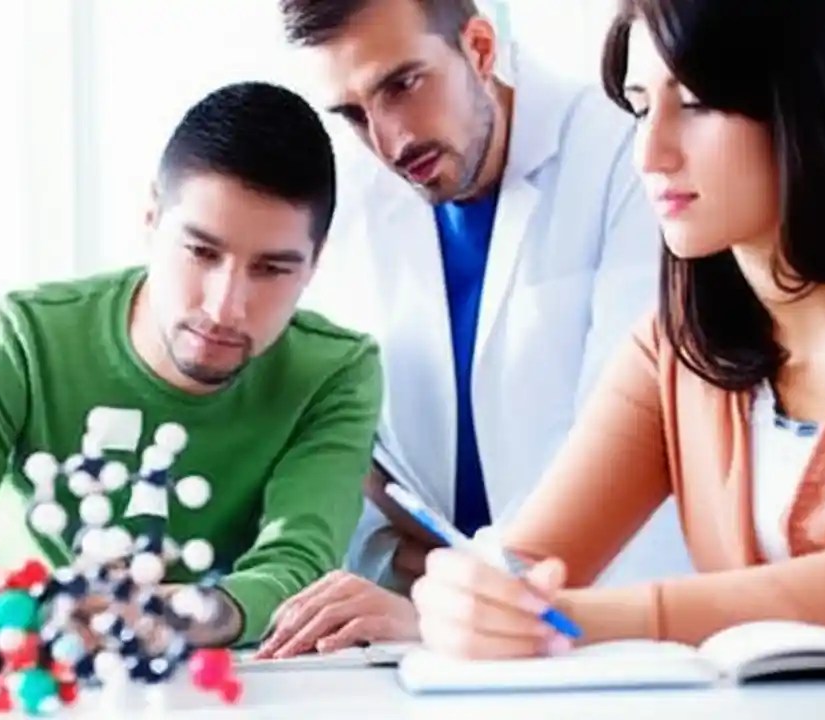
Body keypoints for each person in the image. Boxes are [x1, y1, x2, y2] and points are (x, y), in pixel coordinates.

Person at [409, 0, 825, 658]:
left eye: (692, 104)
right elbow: (528, 564)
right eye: (638, 107)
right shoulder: (677, 344)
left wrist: (591, 619)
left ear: (806, 103)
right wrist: (473, 601)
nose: (650, 154)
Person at [0, 81, 383, 649]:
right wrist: (38, 620)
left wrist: (164, 617)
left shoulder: (337, 371)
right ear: (151, 218)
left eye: (271, 270)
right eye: (201, 252)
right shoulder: (19, 339)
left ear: (314, 265)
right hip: (11, 676)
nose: (225, 306)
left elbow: (299, 573)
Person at [258, 0, 689, 658]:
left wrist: (460, 596)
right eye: (350, 113)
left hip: (605, 634)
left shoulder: (628, 156)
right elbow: (349, 453)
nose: (389, 141)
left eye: (402, 84)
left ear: (480, 49)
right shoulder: (351, 199)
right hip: (427, 633)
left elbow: (633, 451)